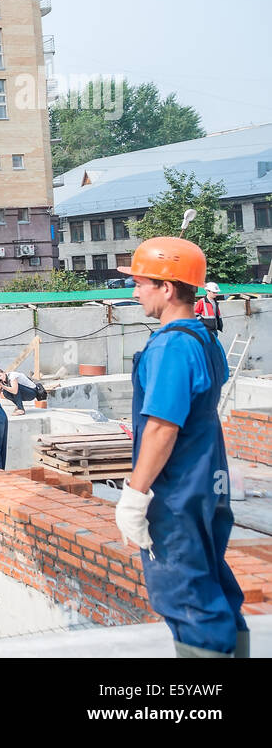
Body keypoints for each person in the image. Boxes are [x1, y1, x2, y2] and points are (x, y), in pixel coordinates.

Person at [115, 237, 247, 658]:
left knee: (187, 600)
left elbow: (161, 428)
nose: (135, 293)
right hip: (209, 482)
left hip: (178, 493)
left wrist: (135, 495)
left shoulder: (173, 344)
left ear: (167, 288)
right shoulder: (205, 339)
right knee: (214, 590)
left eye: (140, 284)